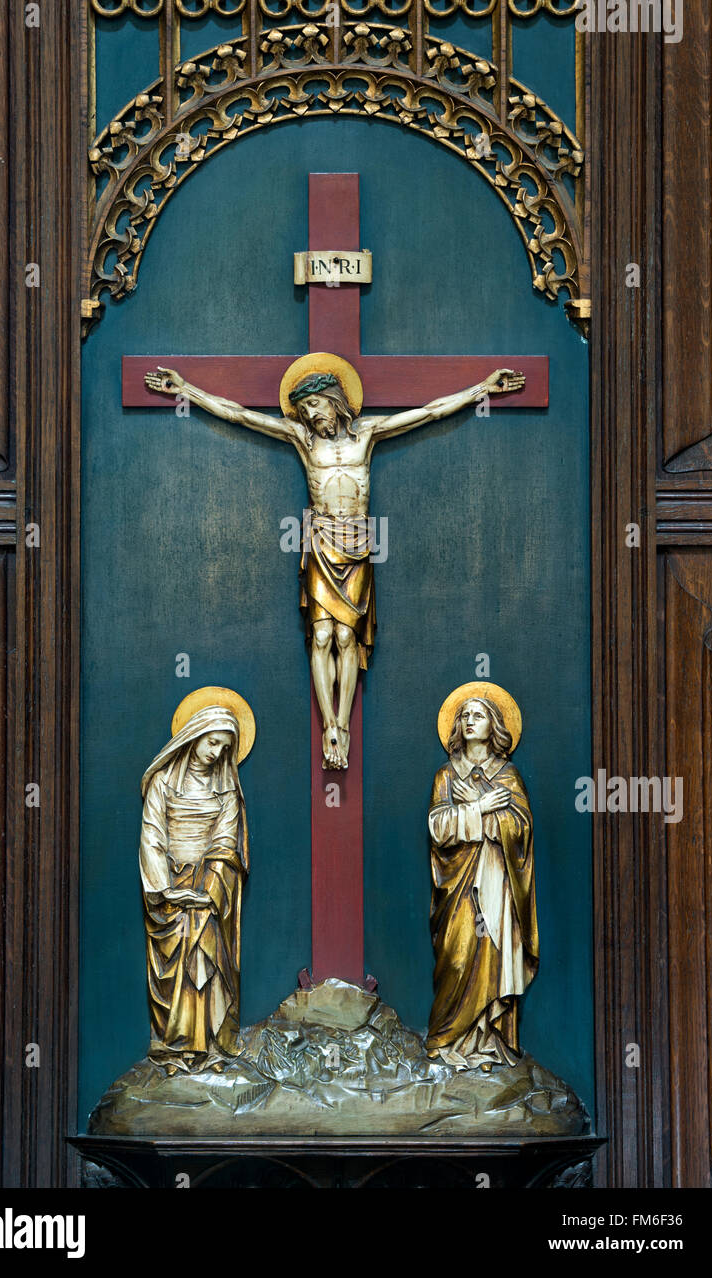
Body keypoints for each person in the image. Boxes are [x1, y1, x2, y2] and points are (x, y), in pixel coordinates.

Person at [144, 354, 524, 769]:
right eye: (304, 410)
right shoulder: (303, 440)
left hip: (359, 541)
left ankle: (343, 722)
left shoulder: (367, 434)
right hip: (322, 540)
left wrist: (481, 390)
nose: (311, 415)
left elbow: (429, 412)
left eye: (316, 406)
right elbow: (240, 416)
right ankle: (328, 724)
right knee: (322, 636)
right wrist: (186, 390)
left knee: (347, 638)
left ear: (334, 400)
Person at [138, 689, 254, 1072]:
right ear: (196, 734)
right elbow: (153, 838)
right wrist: (168, 889)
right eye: (213, 741)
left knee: (206, 959)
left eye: (224, 747)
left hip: (208, 887)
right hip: (171, 886)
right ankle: (175, 1048)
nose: (217, 752)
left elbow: (225, 843)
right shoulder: (163, 785)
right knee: (179, 968)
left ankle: (210, 1048)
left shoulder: (226, 793)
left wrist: (207, 892)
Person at [426, 685, 539, 1070]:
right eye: (464, 716)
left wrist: (486, 810)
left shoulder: (507, 775)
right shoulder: (445, 776)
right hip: (457, 886)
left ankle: (486, 1045)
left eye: (478, 714)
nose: (469, 721)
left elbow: (520, 829)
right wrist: (477, 808)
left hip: (495, 885)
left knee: (491, 956)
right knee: (456, 960)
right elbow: (438, 828)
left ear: (495, 725)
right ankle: (446, 1040)